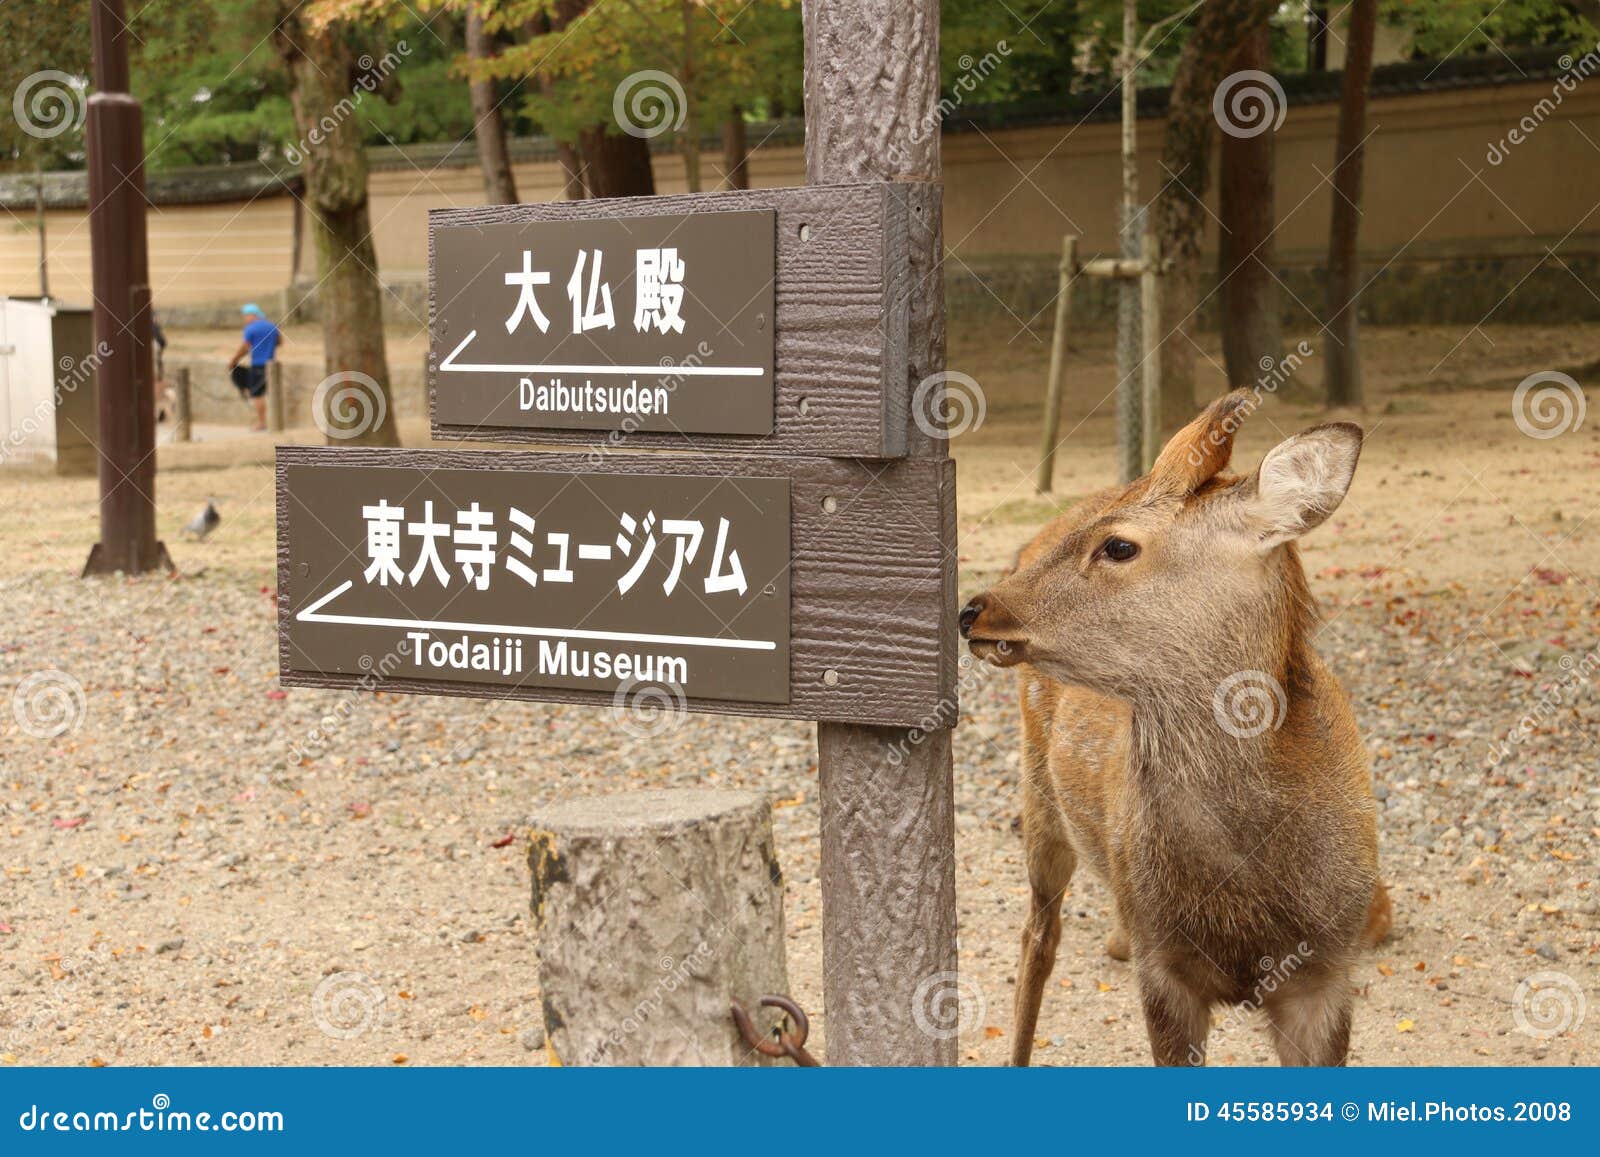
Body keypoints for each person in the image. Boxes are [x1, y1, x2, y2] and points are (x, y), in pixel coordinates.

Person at [227, 303, 284, 432]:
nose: (245, 318)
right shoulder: (271, 326)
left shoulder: (251, 328)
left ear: (252, 315)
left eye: (246, 316)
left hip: (258, 365)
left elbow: (245, 347)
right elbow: (279, 342)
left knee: (257, 395)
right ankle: (275, 421)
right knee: (271, 393)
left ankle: (262, 423)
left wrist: (234, 360)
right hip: (272, 365)